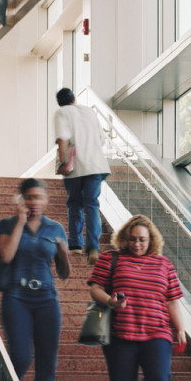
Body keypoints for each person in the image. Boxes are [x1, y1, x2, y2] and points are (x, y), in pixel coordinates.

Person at [87, 214, 186, 381]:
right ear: (124, 239)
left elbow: (172, 299)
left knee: (159, 377)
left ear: (151, 239)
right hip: (121, 334)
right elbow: (95, 287)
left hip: (157, 332)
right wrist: (110, 300)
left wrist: (181, 330)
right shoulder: (111, 258)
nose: (137, 244)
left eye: (142, 240)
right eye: (132, 239)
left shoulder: (163, 264)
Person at [0, 178, 71, 381]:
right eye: (29, 197)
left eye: (38, 197)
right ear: (21, 199)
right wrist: (20, 221)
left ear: (46, 200)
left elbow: (64, 273)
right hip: (16, 295)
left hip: (47, 297)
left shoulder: (56, 227)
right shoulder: (7, 224)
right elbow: (6, 256)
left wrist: (64, 254)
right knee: (22, 356)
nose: (34, 202)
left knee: (47, 364)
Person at [53, 87, 112, 261]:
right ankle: (93, 247)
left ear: (60, 102)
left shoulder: (61, 113)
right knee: (92, 204)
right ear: (73, 99)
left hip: (76, 165)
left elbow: (63, 138)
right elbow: (101, 139)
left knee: (75, 204)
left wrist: (63, 162)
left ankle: (76, 245)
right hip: (96, 165)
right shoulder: (88, 112)